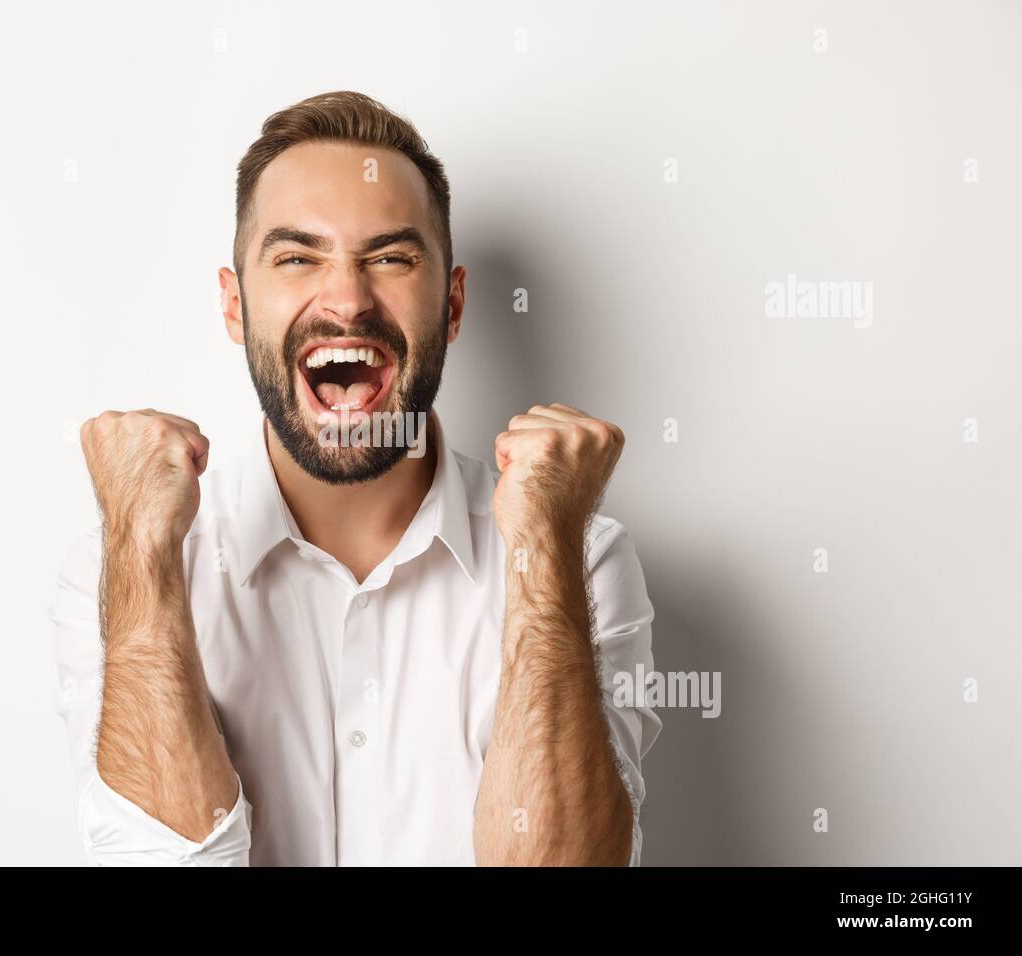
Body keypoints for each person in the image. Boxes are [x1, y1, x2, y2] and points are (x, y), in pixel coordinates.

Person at [51, 90, 661, 866]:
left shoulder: (580, 559)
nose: (346, 299)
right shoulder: (124, 570)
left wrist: (543, 544)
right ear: (236, 308)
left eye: (391, 258)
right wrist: (140, 544)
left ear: (453, 302)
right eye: (298, 257)